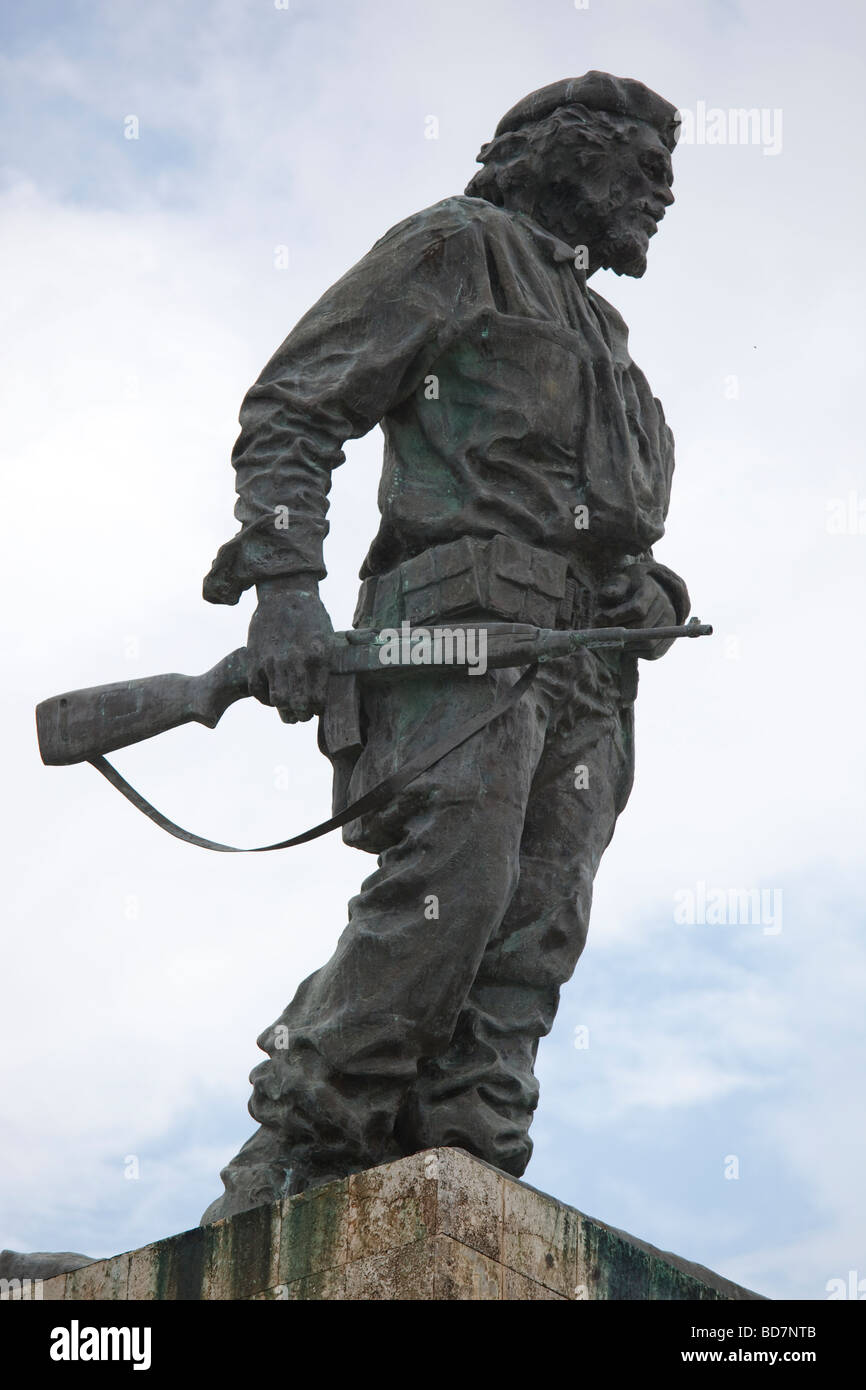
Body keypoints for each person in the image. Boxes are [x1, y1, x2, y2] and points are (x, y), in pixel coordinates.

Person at [199, 72, 691, 1224]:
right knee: (450, 896)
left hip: (587, 670)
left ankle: (465, 1176)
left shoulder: (606, 336)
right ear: (565, 151)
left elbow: (609, 530)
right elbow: (294, 407)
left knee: (535, 932)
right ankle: (290, 1162)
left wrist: (648, 587)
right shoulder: (457, 247)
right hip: (452, 644)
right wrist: (284, 591)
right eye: (642, 165)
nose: (662, 194)